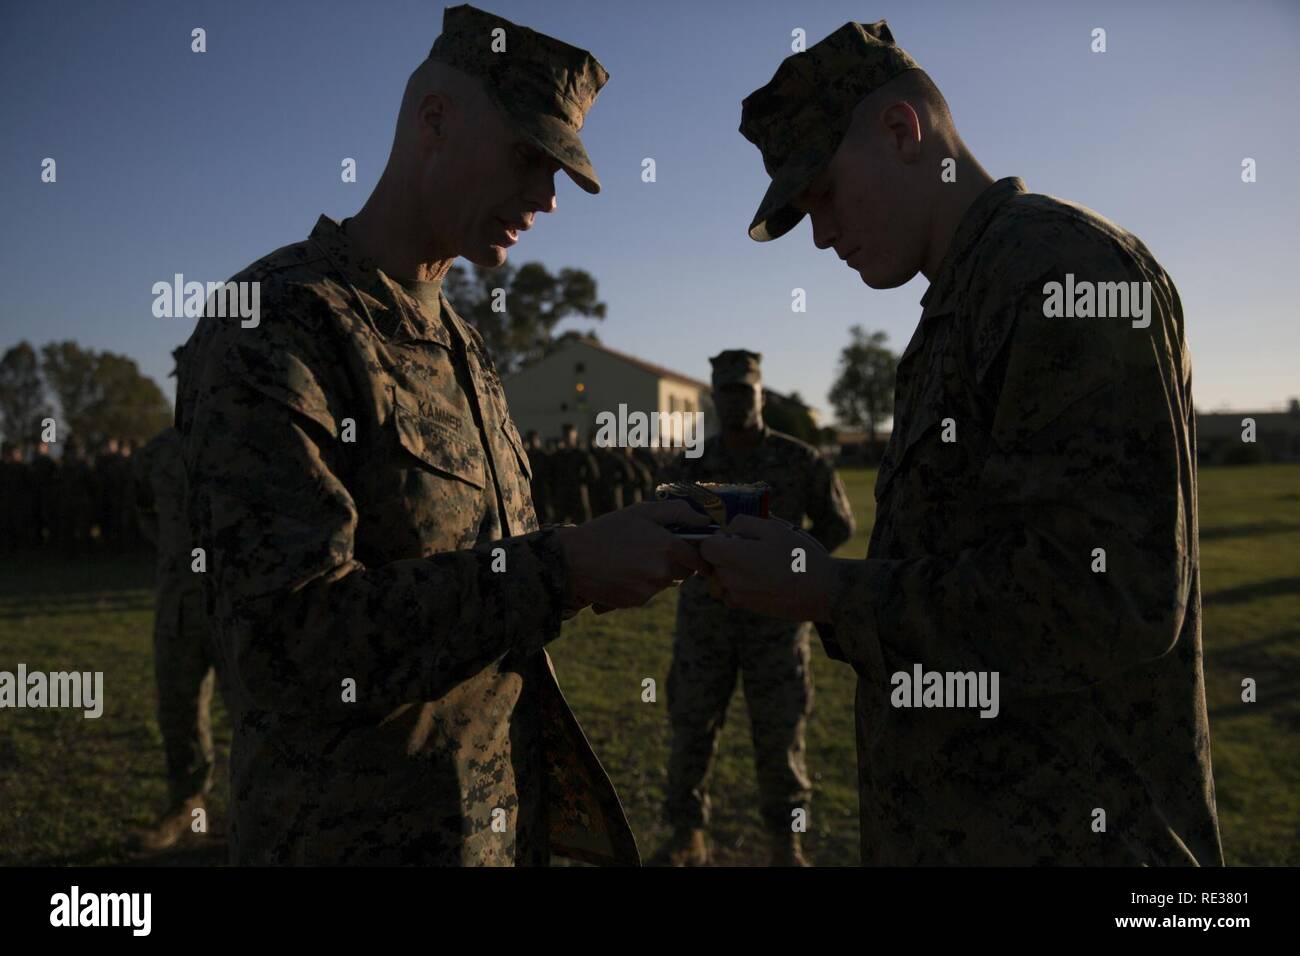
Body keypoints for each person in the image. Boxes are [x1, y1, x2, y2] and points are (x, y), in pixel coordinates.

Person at [176, 3, 708, 866]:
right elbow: (286, 643)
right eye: (530, 158)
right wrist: (566, 567)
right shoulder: (279, 324)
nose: (545, 197)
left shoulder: (460, 342)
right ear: (435, 120)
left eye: (558, 172)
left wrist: (607, 556)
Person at [700, 19, 1223, 865]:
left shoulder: (1059, 275)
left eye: (823, 193)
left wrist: (828, 591)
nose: (823, 235)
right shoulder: (967, 299)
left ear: (903, 132)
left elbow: (1110, 599)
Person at [652, 350, 854, 867]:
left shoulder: (799, 459)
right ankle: (684, 835)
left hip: (775, 624)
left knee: (781, 732)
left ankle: (785, 845)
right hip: (706, 622)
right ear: (714, 397)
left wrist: (790, 562)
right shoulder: (692, 463)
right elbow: (663, 527)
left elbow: (838, 523)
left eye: (745, 391)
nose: (736, 400)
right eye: (726, 392)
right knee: (691, 725)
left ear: (761, 394)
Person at [130, 409, 228, 852]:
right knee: (178, 711)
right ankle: (188, 813)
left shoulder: (249, 435)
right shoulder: (156, 452)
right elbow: (141, 510)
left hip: (236, 602)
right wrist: (176, 554)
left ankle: (255, 821)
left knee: (255, 712)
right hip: (178, 605)